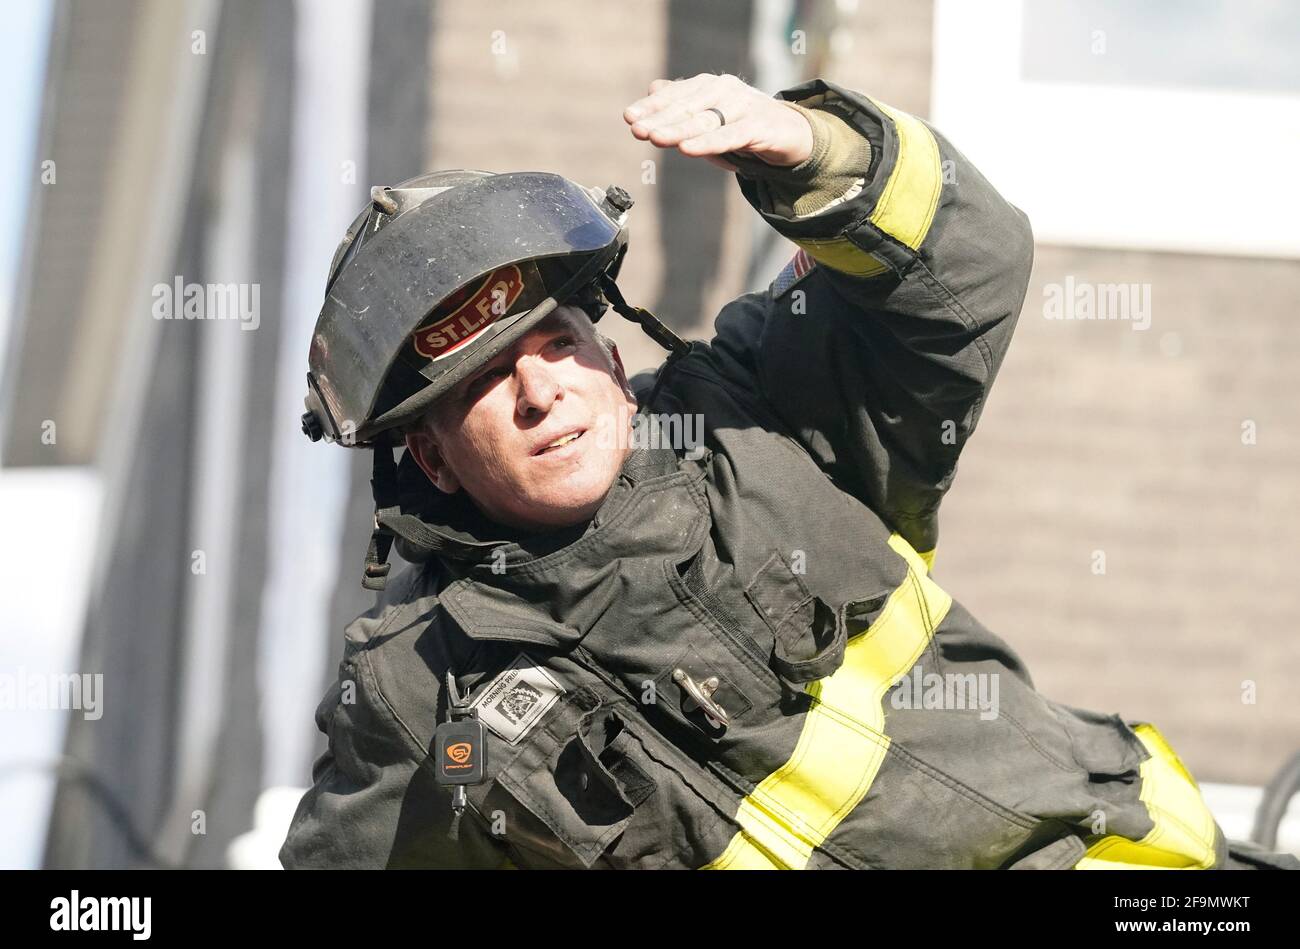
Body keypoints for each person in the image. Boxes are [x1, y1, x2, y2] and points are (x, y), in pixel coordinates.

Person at [281, 73, 1297, 869]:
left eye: (552, 344)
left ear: (604, 351)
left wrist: (814, 150)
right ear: (433, 460)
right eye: (485, 386)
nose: (540, 393)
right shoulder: (421, 700)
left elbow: (968, 271)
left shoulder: (753, 415)